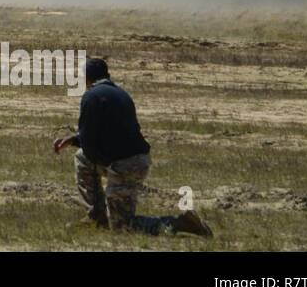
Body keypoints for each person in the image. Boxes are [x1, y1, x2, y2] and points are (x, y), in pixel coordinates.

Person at [52, 58, 212, 236]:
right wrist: (74, 140)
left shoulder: (91, 96)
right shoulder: (120, 94)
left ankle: (180, 223)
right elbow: (110, 132)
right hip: (137, 160)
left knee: (122, 226)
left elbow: (90, 142)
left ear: (86, 78)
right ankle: (96, 216)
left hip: (124, 167)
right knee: (82, 158)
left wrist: (99, 161)